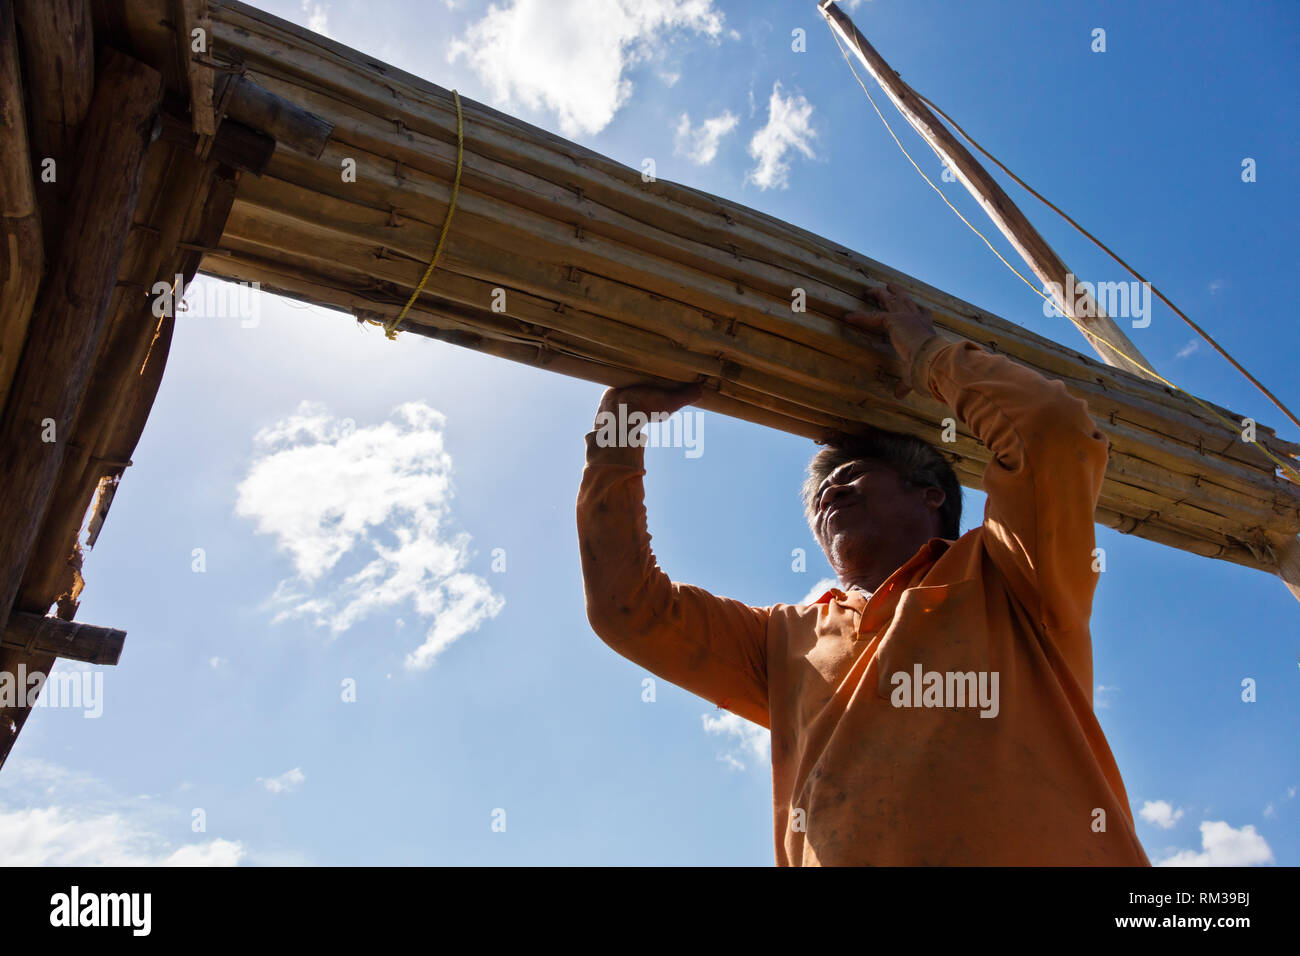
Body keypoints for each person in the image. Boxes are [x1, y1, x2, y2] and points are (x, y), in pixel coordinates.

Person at [576, 282, 1149, 866]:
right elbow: (630, 610)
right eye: (822, 490)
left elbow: (1052, 431)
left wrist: (927, 353)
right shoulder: (785, 640)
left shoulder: (1009, 571)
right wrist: (616, 438)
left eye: (854, 473)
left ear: (931, 495)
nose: (830, 488)